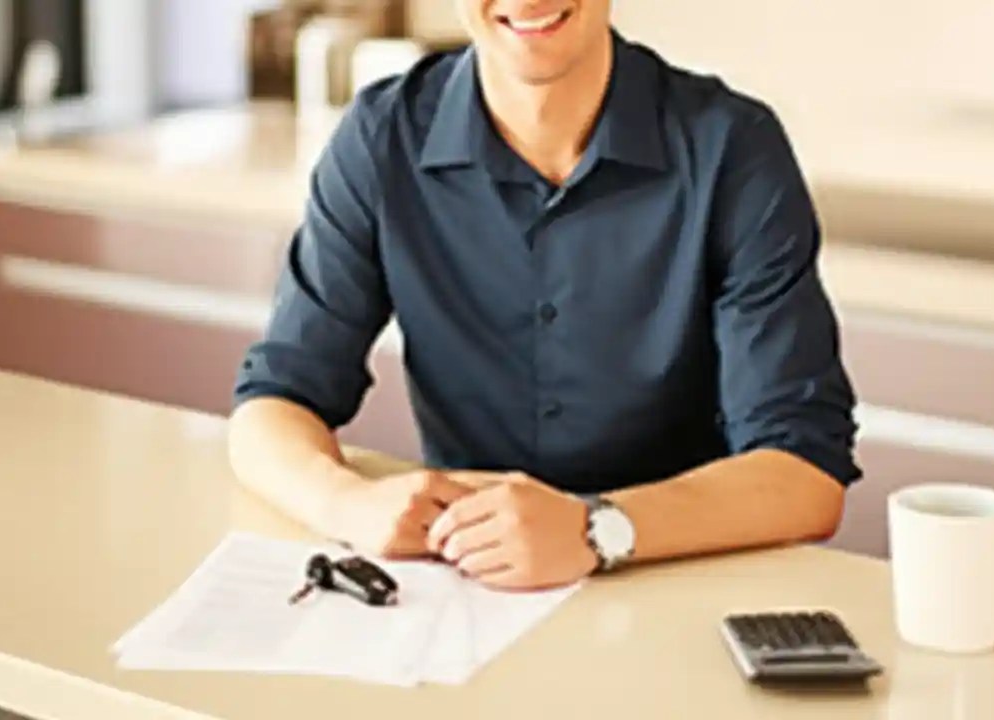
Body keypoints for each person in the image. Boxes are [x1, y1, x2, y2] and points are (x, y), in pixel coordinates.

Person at [229, 0, 861, 590]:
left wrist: (597, 528)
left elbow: (804, 476)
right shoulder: (380, 139)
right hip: (467, 592)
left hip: (677, 580)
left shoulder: (732, 148)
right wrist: (349, 504)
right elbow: (272, 406)